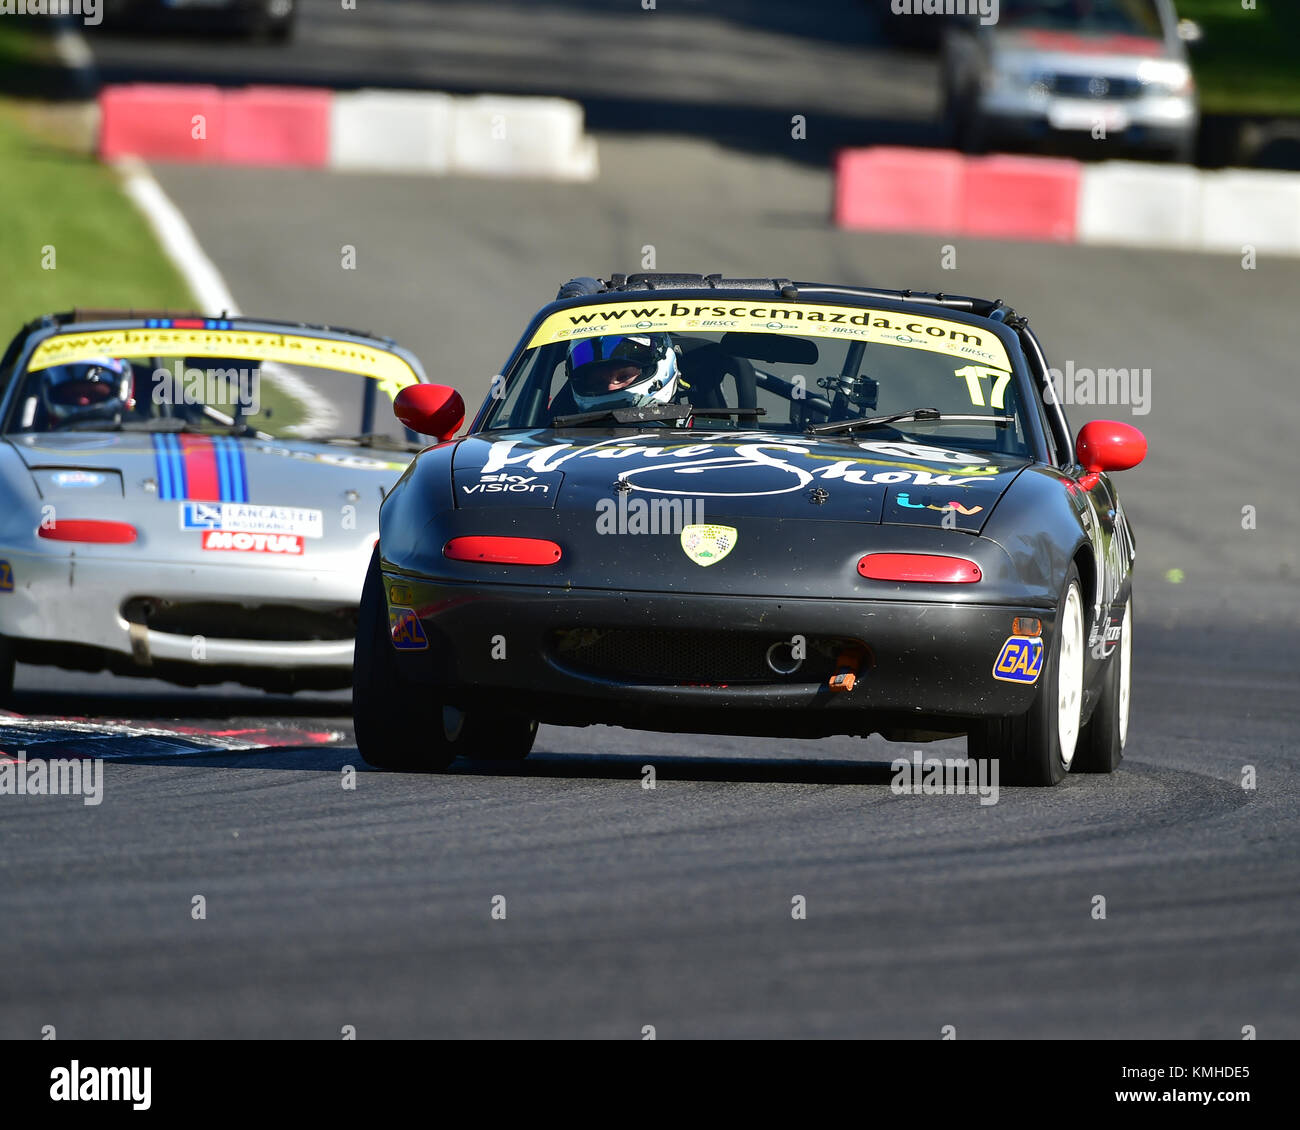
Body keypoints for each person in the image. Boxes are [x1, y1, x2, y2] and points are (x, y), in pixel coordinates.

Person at [564, 332, 682, 413]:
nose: (610, 387)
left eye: (623, 377)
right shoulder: (558, 436)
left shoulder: (696, 432)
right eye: (598, 383)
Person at [38, 358, 134, 429]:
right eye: (72, 394)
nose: (83, 401)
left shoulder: (142, 438)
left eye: (95, 394)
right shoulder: (33, 433)